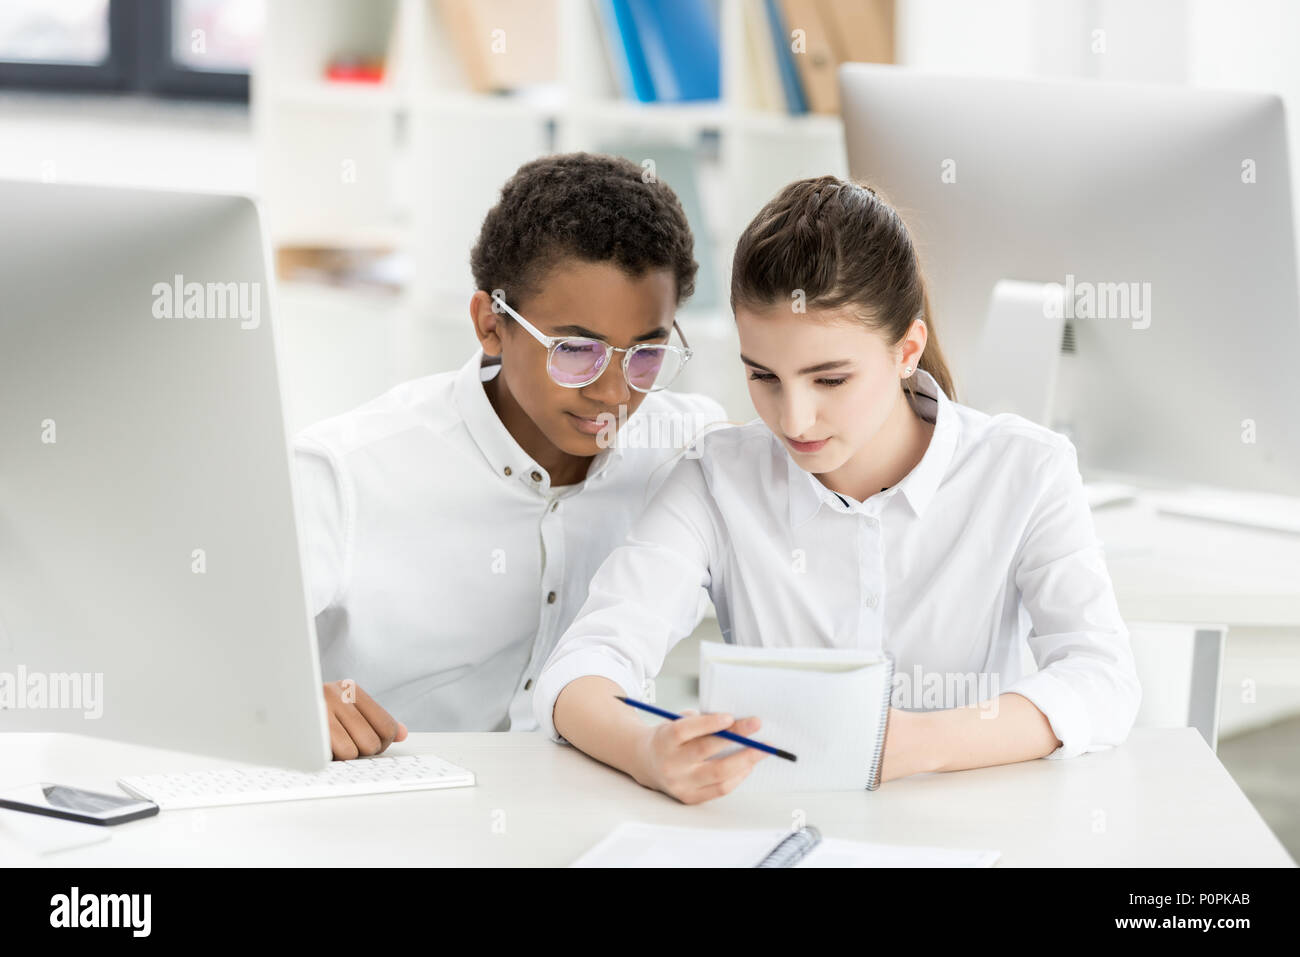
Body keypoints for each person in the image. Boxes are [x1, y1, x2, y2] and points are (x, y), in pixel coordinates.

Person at [534, 175, 1142, 804]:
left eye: (829, 380)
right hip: (786, 833)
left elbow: (1102, 677)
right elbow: (583, 668)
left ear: (907, 348)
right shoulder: (716, 478)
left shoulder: (1025, 471)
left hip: (971, 835)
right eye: (764, 376)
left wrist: (905, 746)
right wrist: (646, 752)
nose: (793, 420)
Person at [293, 153, 727, 758]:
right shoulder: (344, 473)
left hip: (590, 817)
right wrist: (287, 702)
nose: (614, 392)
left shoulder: (687, 450)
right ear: (491, 325)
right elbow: (200, 659)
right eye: (577, 350)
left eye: (646, 354)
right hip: (391, 821)